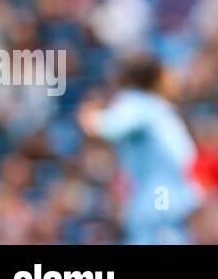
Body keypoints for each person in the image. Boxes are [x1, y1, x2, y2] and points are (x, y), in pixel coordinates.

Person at [77, 53, 201, 244]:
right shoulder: (159, 106)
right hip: (171, 191)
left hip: (159, 195)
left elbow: (104, 128)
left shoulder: (137, 102)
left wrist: (88, 112)